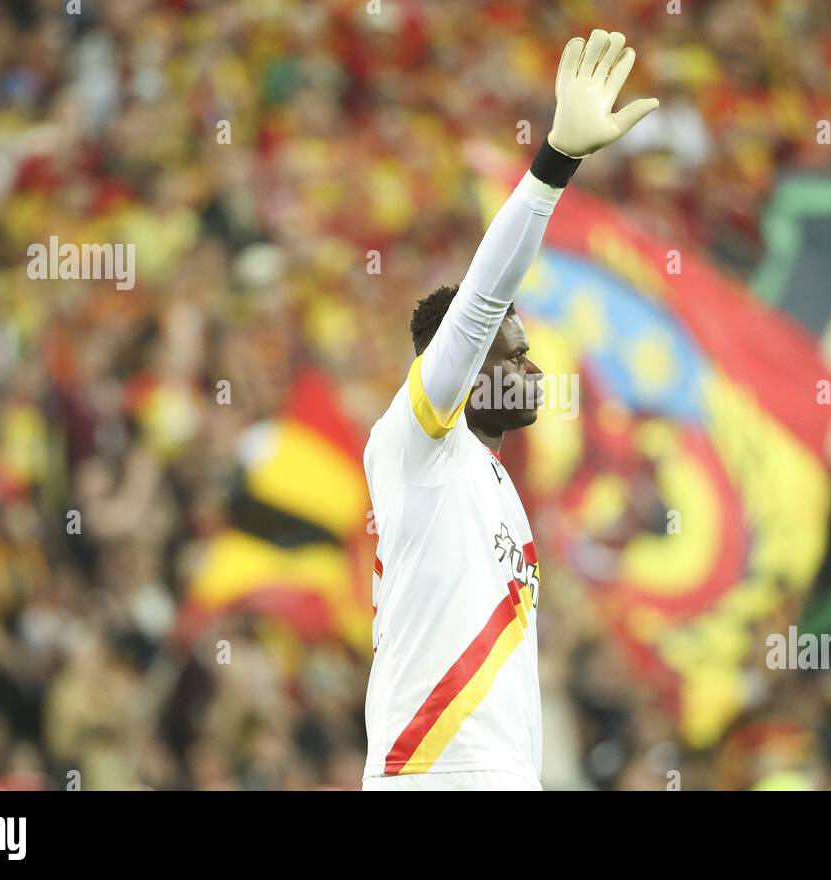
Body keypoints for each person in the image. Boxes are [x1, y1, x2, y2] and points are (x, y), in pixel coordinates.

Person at [359, 29, 658, 791]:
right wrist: (555, 163)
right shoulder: (415, 443)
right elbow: (485, 293)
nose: (531, 367)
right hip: (432, 770)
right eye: (511, 351)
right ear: (457, 362)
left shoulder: (495, 489)